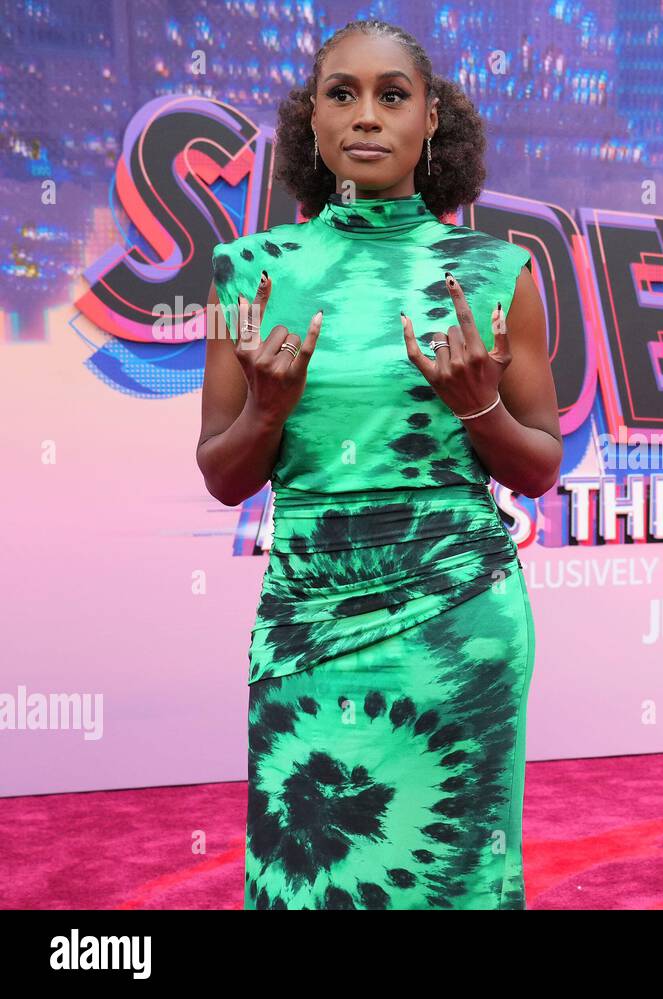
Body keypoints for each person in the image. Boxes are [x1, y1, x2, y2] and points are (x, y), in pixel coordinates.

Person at [195, 18, 561, 910]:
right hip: (307, 620)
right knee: (309, 863)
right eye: (342, 94)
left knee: (452, 874)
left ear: (430, 119)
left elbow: (540, 466)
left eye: (392, 96)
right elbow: (222, 475)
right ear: (310, 122)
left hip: (458, 620)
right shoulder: (248, 271)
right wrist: (268, 410)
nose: (367, 116)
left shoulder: (497, 271)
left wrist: (476, 403)